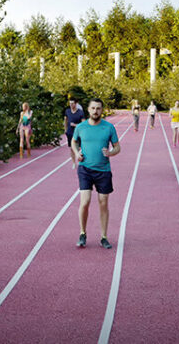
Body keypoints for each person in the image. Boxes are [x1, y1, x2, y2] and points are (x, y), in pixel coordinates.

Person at [71, 98, 121, 249]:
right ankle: (82, 233)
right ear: (88, 109)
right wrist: (76, 152)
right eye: (93, 108)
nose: (95, 111)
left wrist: (110, 153)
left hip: (103, 171)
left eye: (98, 108)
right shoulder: (81, 127)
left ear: (102, 110)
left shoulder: (109, 127)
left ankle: (104, 237)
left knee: (103, 203)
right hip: (85, 169)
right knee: (85, 202)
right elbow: (74, 142)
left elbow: (118, 147)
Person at [64, 97, 85, 168]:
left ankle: (80, 160)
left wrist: (75, 125)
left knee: (79, 148)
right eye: (70, 103)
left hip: (78, 133)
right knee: (72, 149)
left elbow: (83, 124)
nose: (71, 105)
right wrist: (65, 129)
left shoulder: (80, 112)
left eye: (72, 103)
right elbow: (66, 120)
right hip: (70, 132)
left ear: (76, 104)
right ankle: (73, 163)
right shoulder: (67, 111)